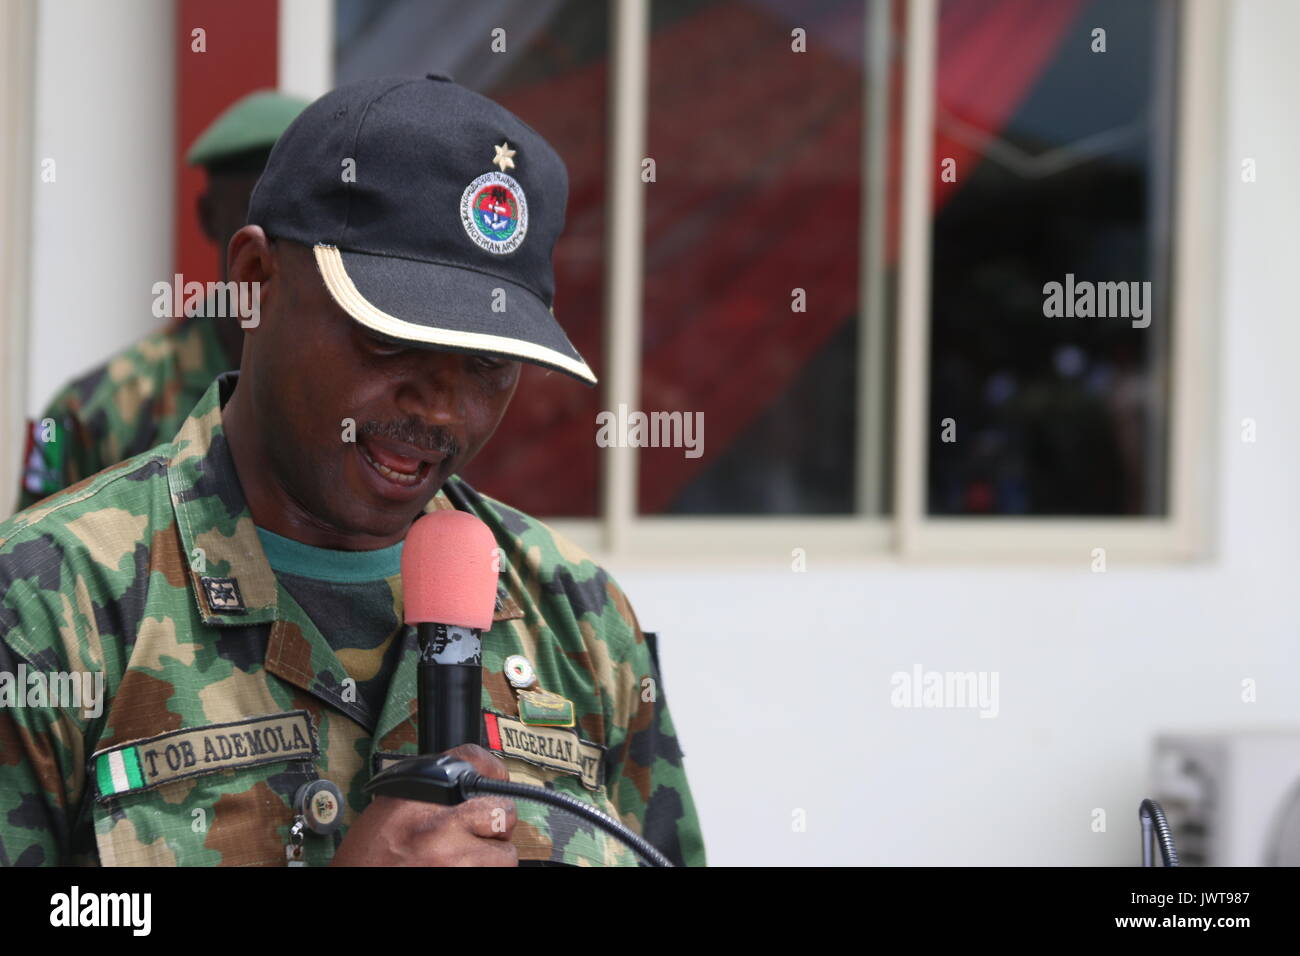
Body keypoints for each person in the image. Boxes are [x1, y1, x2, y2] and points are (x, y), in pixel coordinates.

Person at [0, 75, 705, 867]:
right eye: (390, 339)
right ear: (257, 283)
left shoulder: (580, 621)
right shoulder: (51, 609)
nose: (442, 410)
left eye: (487, 364)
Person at [14, 90, 308, 513]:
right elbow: (26, 566)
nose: (276, 246)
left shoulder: (352, 398)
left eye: (300, 219)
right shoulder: (90, 415)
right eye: (254, 215)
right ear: (209, 217)